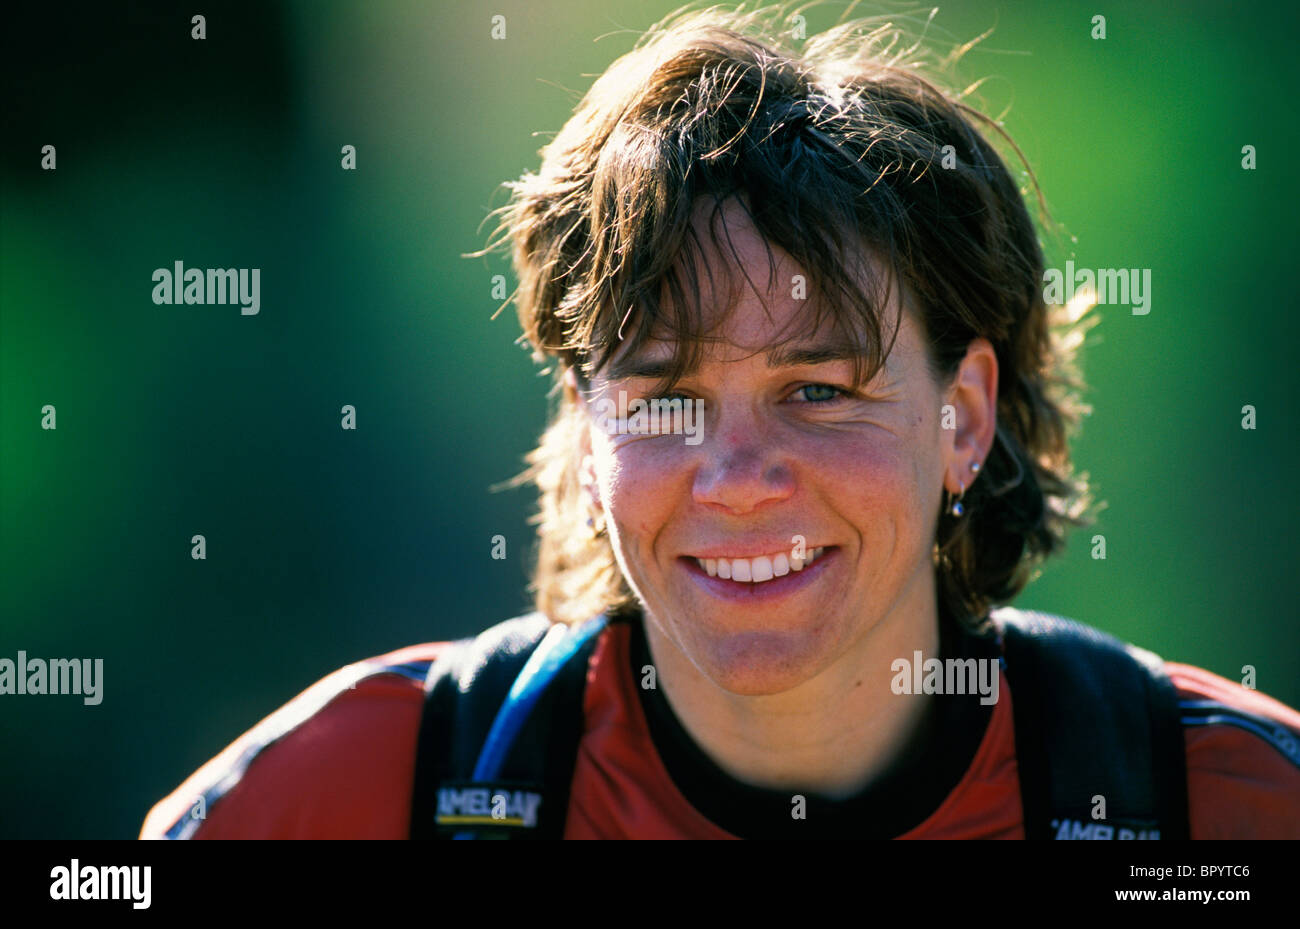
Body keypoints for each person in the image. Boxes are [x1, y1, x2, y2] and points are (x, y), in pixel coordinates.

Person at [140, 3, 1300, 840]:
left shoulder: (1211, 797)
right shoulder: (362, 791)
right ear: (585, 430)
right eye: (666, 399)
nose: (736, 475)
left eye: (818, 390)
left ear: (963, 415)